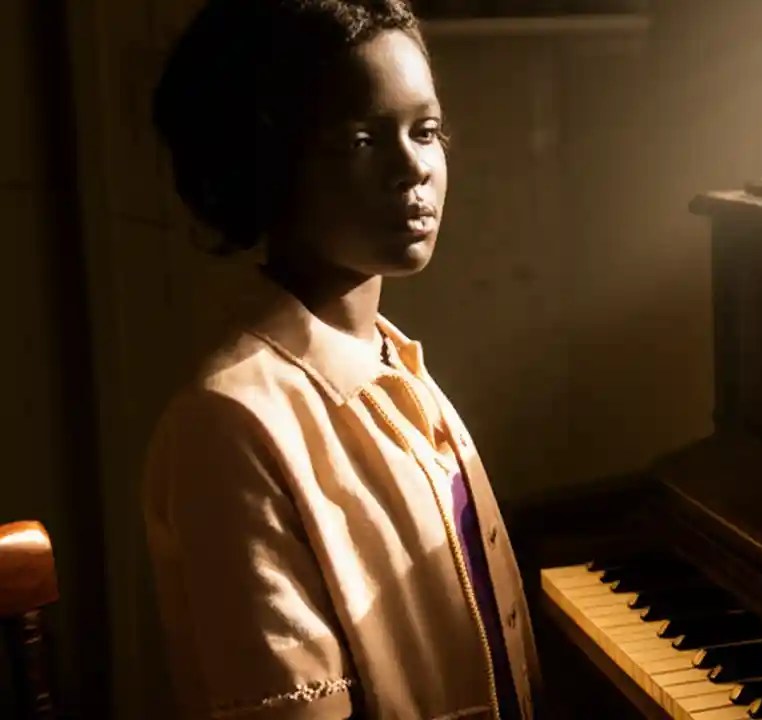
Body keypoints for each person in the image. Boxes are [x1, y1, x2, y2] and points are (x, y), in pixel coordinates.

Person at [142, 1, 537, 717]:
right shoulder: (230, 423)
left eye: (426, 131)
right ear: (267, 163)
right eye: (361, 140)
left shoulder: (398, 365)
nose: (412, 169)